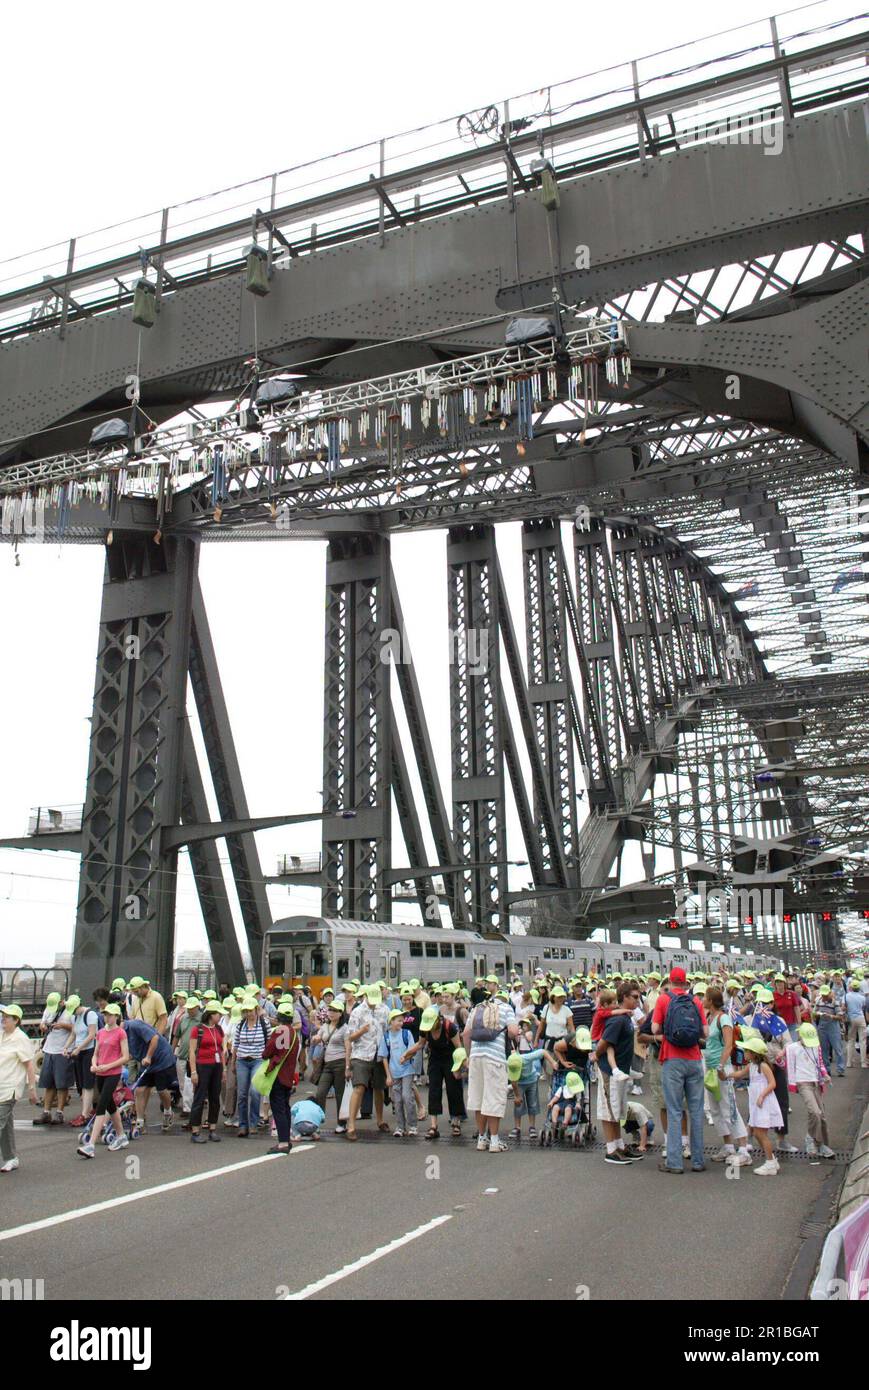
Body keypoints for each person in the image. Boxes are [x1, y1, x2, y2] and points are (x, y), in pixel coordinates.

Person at [652, 966, 708, 1175]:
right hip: (694, 1059)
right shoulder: (696, 1002)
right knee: (696, 1111)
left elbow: (656, 1028)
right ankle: (698, 1161)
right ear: (685, 983)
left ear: (670, 981)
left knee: (674, 1111)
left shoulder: (663, 1000)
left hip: (672, 1059)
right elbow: (706, 1032)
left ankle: (674, 1162)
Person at [462, 993, 519, 1153]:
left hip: (476, 1057)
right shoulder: (507, 1008)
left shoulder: (476, 1008)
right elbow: (513, 1031)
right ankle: (494, 1140)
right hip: (495, 1058)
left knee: (478, 1099)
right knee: (493, 1098)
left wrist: (468, 1055)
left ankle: (482, 1139)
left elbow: (466, 1034)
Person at [703, 986, 750, 1166]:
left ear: (711, 1000)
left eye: (705, 997)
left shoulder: (723, 1019)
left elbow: (729, 1045)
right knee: (715, 1109)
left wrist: (722, 1066)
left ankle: (744, 1149)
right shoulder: (710, 1018)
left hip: (722, 1069)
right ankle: (728, 1146)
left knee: (729, 1107)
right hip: (710, 1069)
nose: (703, 1000)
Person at [402, 1005, 465, 1139]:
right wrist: (406, 1054)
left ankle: (456, 1123)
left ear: (438, 1020)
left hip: (451, 1059)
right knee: (434, 1091)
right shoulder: (425, 1029)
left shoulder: (450, 1027)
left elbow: (459, 1048)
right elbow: (420, 1044)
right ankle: (433, 1126)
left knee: (454, 1090)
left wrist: (459, 1068)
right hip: (435, 1059)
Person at [77, 1004, 131, 1158]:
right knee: (110, 1105)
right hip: (100, 1072)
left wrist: (107, 1066)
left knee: (101, 1104)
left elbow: (125, 1056)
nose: (107, 1017)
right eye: (105, 1014)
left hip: (113, 1072)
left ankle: (91, 1145)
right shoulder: (100, 1033)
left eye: (110, 1015)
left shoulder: (120, 1033)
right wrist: (94, 1065)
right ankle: (121, 1136)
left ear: (116, 1016)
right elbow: (96, 1053)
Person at [596, 981, 641, 1165]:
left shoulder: (625, 1018)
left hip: (620, 1071)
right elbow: (604, 1043)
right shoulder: (617, 1020)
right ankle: (611, 1149)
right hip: (609, 1071)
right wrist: (595, 1055)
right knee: (609, 1110)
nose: (638, 1000)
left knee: (617, 1109)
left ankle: (619, 1144)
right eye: (635, 997)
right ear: (624, 998)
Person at [732, 1036, 783, 1176]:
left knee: (761, 1133)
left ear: (754, 1053)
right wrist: (727, 1075)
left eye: (747, 1050)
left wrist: (762, 1095)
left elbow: (772, 1083)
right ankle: (771, 1159)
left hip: (763, 1103)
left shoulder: (763, 1066)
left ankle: (770, 1163)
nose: (745, 1053)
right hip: (756, 1103)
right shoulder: (752, 1066)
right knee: (756, 1132)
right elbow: (740, 1074)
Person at [785, 1022, 835, 1161]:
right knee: (815, 1112)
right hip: (803, 1083)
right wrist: (792, 1084)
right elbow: (788, 1065)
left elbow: (819, 1064)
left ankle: (822, 1144)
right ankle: (813, 1139)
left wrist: (825, 1075)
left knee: (822, 1116)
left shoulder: (816, 1046)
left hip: (816, 1082)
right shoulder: (792, 1048)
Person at [344, 985, 387, 1140]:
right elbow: (350, 1037)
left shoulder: (384, 1010)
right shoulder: (357, 1012)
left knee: (379, 1088)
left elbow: (387, 1031)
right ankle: (351, 1124)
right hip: (361, 1054)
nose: (374, 1003)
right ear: (365, 996)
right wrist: (362, 1031)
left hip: (379, 1053)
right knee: (359, 1088)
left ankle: (380, 1120)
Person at [123, 1017, 178, 1133]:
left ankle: (168, 1113)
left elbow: (154, 1037)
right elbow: (130, 1053)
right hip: (146, 1062)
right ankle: (140, 1122)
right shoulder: (119, 1035)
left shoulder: (134, 1025)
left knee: (161, 1090)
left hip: (162, 1059)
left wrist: (148, 1056)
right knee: (139, 1090)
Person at [0, 1004, 38, 1172]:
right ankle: (11, 1158)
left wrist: (32, 1088)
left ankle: (10, 1158)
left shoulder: (20, 1038)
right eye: (3, 1016)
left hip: (10, 1088)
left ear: (16, 1020)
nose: (3, 1019)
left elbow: (29, 1065)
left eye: (7, 1017)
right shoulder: (1, 1035)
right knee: (6, 1124)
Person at [261, 1001, 302, 1155]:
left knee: (278, 1108)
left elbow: (270, 1050)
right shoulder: (293, 1032)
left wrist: (266, 1054)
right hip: (288, 1075)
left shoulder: (281, 1031)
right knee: (285, 1108)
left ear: (279, 1016)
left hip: (278, 1074)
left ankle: (283, 1142)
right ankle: (286, 1140)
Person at [230, 999, 271, 1136]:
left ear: (256, 1009)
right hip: (242, 1061)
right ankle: (243, 1124)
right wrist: (233, 1062)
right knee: (242, 1094)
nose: (248, 1013)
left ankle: (253, 1123)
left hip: (258, 1060)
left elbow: (270, 1043)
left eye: (250, 1010)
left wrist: (269, 1063)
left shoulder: (264, 1023)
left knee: (254, 1091)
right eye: (246, 1011)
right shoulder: (241, 1024)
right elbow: (235, 1044)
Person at [34, 991, 74, 1126]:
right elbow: (42, 1024)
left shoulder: (70, 1011)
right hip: (49, 1049)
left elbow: (76, 1029)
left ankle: (60, 1112)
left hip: (63, 1050)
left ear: (62, 1002)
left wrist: (62, 1025)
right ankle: (46, 1112)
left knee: (61, 1084)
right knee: (48, 1083)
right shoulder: (48, 1009)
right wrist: (43, 1026)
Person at [188, 1002, 225, 1144]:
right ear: (210, 1015)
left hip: (216, 1065)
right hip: (202, 1065)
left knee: (215, 1097)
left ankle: (212, 1128)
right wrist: (193, 1071)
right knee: (199, 1096)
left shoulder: (219, 1029)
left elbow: (221, 1050)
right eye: (218, 1014)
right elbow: (192, 1051)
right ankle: (195, 1130)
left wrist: (223, 1068)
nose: (220, 1016)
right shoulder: (197, 1029)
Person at [379, 1009, 419, 1137]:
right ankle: (400, 1127)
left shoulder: (407, 1034)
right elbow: (384, 1057)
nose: (401, 1023)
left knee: (407, 1096)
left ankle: (412, 1125)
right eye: (398, 1020)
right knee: (397, 1100)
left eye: (402, 1020)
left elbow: (413, 1050)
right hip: (394, 1071)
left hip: (407, 1070)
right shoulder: (386, 1036)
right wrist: (388, 1076)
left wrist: (405, 1057)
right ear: (391, 1021)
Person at [63, 994, 100, 1129]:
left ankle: (85, 1113)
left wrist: (78, 1048)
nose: (73, 1013)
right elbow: (74, 1033)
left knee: (88, 1084)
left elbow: (92, 1035)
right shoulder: (74, 1016)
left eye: (74, 1010)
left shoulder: (90, 1015)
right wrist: (66, 1047)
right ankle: (87, 1110)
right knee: (81, 1083)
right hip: (78, 1051)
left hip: (89, 1051)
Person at [312, 999, 349, 1128]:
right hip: (327, 1064)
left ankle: (341, 1123)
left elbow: (348, 1048)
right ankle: (320, 1118)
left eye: (335, 1010)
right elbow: (318, 1036)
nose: (331, 1012)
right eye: (330, 1010)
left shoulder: (345, 1028)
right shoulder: (325, 1026)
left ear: (340, 1013)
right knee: (320, 1093)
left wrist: (348, 1067)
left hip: (340, 1063)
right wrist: (316, 1039)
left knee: (340, 1094)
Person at [813, 985, 846, 1077]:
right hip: (822, 1026)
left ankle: (840, 1069)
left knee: (837, 1048)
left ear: (829, 993)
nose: (824, 997)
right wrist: (818, 1014)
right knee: (824, 1049)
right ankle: (827, 1070)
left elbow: (840, 1017)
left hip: (833, 1026)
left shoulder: (835, 1002)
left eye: (826, 995)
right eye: (823, 995)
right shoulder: (819, 1001)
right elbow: (814, 1012)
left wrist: (831, 1016)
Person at [844, 980, 868, 1068]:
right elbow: (863, 1007)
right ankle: (863, 1063)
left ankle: (849, 1062)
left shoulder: (846, 996)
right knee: (863, 1041)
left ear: (851, 987)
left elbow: (843, 1007)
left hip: (851, 1019)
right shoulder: (862, 997)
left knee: (851, 1041)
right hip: (861, 1018)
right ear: (858, 988)